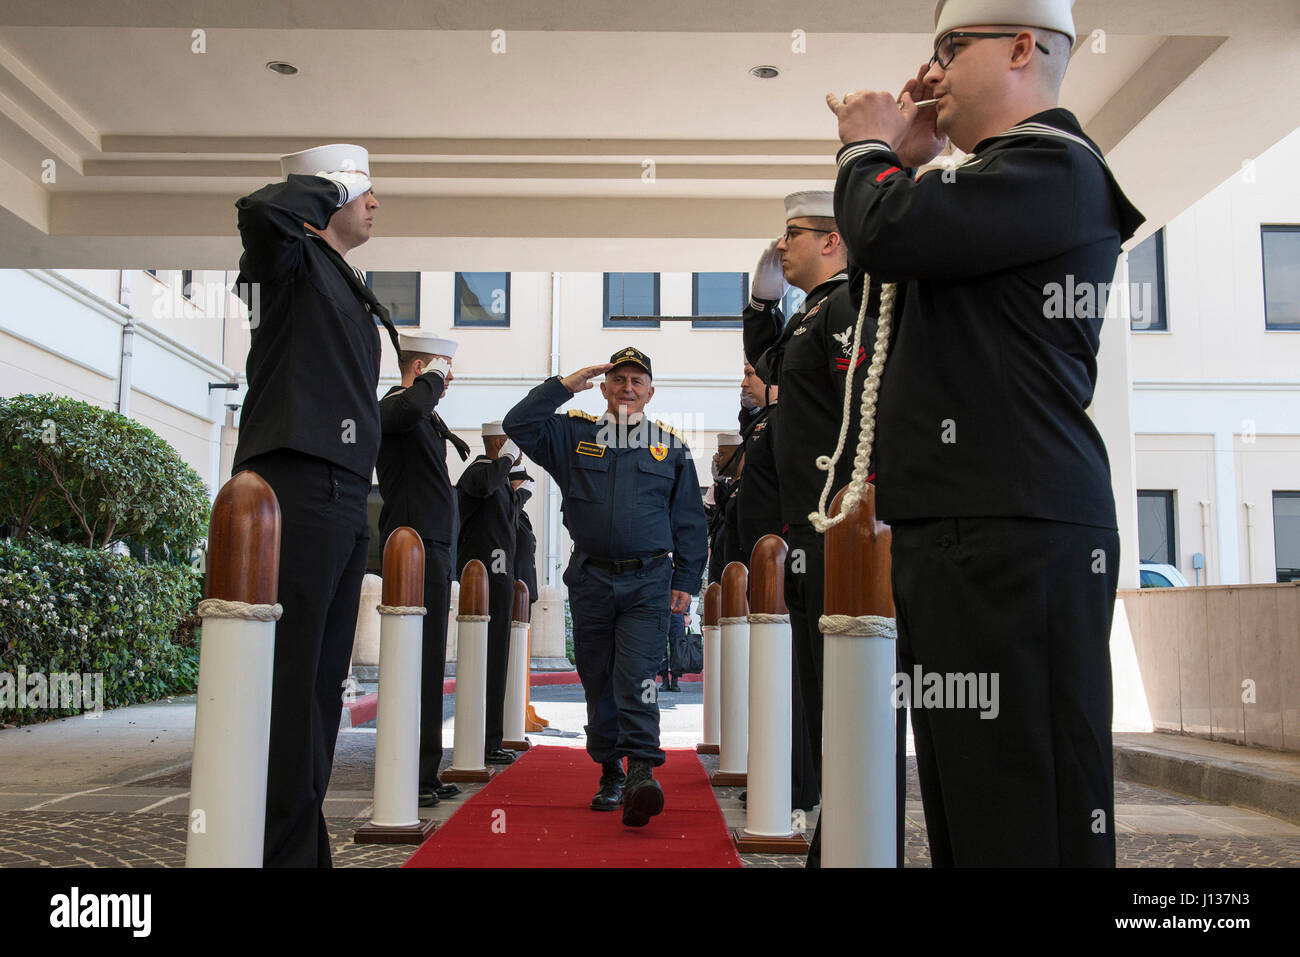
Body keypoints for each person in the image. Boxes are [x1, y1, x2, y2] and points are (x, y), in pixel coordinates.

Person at [827, 0, 1144, 866]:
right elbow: (901, 255)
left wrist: (866, 147)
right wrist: (909, 162)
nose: (927, 76)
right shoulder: (1000, 177)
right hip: (977, 524)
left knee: (1021, 797)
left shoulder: (1052, 164)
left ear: (1019, 47)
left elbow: (890, 230)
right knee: (974, 792)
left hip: (1013, 528)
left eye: (948, 50)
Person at [231, 143, 397, 867]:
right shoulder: (287, 259)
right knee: (289, 685)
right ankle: (280, 852)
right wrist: (325, 186)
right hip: (293, 484)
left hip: (341, 491)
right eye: (364, 187)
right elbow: (261, 210)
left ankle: (300, 849)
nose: (374, 201)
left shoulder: (340, 276)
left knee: (319, 689)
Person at [503, 347, 708, 826]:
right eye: (619, 379)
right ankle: (610, 771)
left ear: (650, 392)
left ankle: (641, 772)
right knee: (597, 676)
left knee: (638, 677)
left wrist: (686, 581)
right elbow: (519, 423)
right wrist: (563, 386)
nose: (628, 388)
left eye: (638, 381)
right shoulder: (573, 435)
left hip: (649, 581)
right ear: (605, 387)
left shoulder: (671, 448)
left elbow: (690, 522)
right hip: (592, 579)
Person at [742, 188, 884, 865]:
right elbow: (772, 367)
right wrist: (762, 306)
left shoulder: (851, 305)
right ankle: (834, 829)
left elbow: (861, 411)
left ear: (832, 241)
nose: (781, 246)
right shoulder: (813, 315)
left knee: (841, 689)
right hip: (808, 526)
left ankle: (852, 833)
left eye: (792, 234)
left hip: (839, 525)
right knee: (814, 685)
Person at [377, 329, 470, 807]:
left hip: (430, 548)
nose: (447, 379)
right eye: (440, 370)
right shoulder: (397, 405)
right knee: (416, 662)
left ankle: (425, 772)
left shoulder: (422, 415)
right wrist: (427, 380)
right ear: (420, 370)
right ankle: (410, 773)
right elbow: (410, 407)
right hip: (411, 548)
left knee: (430, 661)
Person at [731, 360, 820, 815]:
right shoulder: (766, 423)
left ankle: (797, 783)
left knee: (792, 680)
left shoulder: (789, 421)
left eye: (751, 374)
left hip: (785, 560)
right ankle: (777, 771)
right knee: (775, 677)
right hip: (764, 564)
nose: (744, 381)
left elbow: (794, 488)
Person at [456, 422, 522, 764]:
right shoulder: (479, 472)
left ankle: (491, 738)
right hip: (482, 576)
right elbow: (483, 485)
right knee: (486, 658)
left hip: (500, 576)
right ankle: (480, 739)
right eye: (513, 445)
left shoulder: (497, 478)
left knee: (498, 658)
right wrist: (507, 460)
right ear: (500, 443)